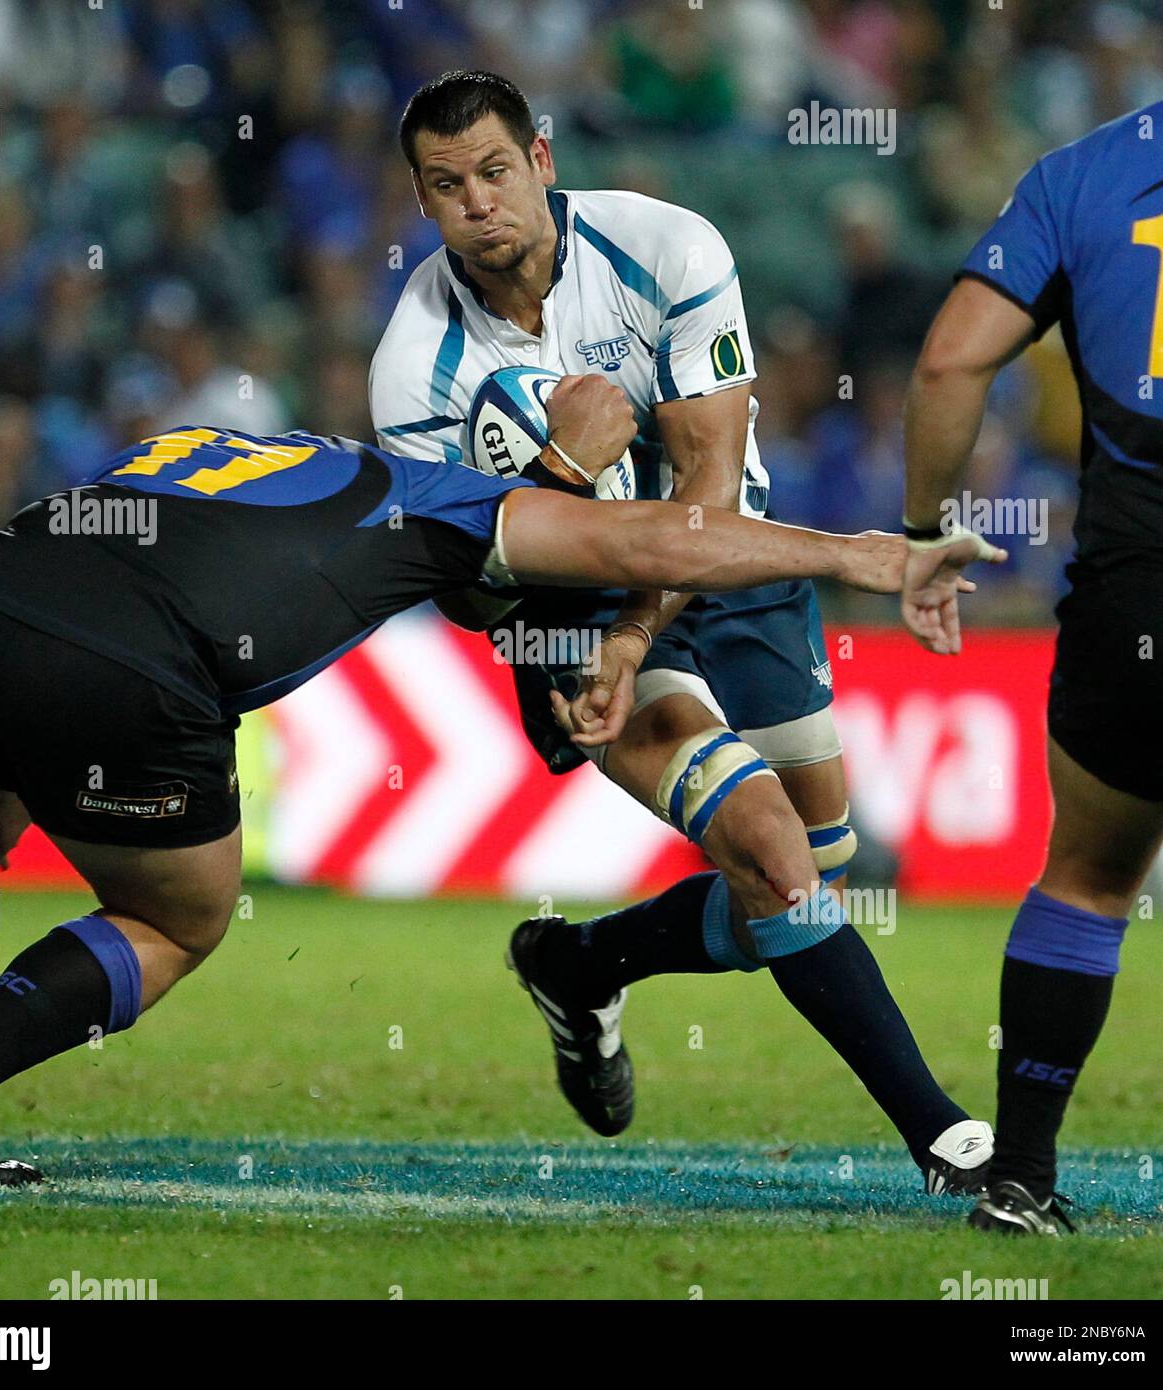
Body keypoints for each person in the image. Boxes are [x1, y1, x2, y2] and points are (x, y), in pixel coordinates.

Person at [0, 376, 995, 1185]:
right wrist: (861, 556)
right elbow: (664, 540)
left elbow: (75, 581)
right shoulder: (451, 502)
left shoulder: (232, 440)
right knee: (174, 916)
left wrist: (7, 764)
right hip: (135, 669)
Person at [371, 69, 998, 1191]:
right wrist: (566, 479)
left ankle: (579, 963)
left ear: (544, 159)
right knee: (771, 853)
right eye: (445, 183)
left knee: (815, 877)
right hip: (564, 619)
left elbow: (708, 472)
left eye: (496, 170)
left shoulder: (668, 250)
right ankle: (950, 1143)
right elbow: (463, 591)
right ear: (421, 201)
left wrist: (639, 624)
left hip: (730, 566)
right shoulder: (414, 370)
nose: (477, 201)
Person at [900, 0, 1163, 1236]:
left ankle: (1019, 1174)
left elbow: (948, 364)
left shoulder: (1085, 170)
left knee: (1085, 880)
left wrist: (925, 539)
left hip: (1146, 602)